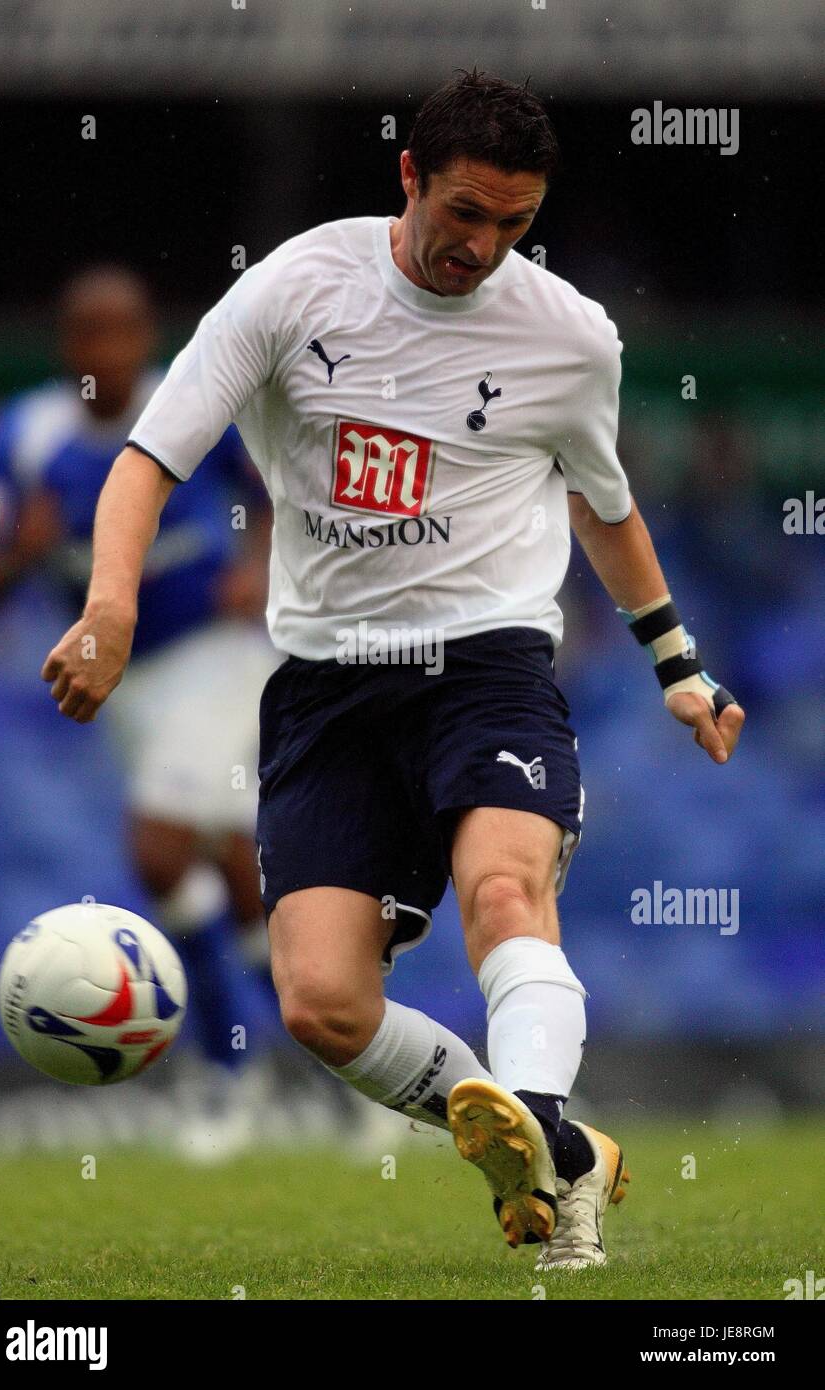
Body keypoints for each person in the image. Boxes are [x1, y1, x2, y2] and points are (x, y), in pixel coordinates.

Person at [41, 72, 744, 1266]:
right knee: (319, 1002)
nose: (484, 246)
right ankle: (552, 1151)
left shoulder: (568, 338)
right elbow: (149, 458)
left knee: (504, 894)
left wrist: (676, 663)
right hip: (326, 683)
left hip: (489, 663)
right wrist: (109, 609)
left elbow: (604, 507)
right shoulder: (290, 289)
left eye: (513, 224)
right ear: (407, 177)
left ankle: (549, 1142)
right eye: (465, 212)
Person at [0, 266, 284, 1159]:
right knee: (235, 878)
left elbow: (276, 495)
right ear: (68, 346)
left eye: (122, 332)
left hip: (218, 653)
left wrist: (260, 566)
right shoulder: (25, 434)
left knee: (155, 851)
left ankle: (227, 1068)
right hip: (123, 681)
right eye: (87, 335)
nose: (105, 352)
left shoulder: (191, 403)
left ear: (145, 338)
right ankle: (326, 1054)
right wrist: (19, 553)